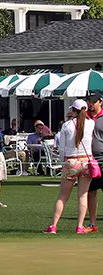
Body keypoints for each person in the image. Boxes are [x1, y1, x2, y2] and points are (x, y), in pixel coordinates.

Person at [43, 99, 95, 234]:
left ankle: (53, 226)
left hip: (71, 161)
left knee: (63, 196)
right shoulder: (91, 124)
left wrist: (62, 163)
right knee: (83, 196)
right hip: (86, 161)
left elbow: (62, 148)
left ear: (74, 111)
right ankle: (80, 226)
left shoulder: (67, 125)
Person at [86, 94, 103, 232]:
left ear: (100, 102)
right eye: (88, 102)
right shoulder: (83, 117)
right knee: (90, 192)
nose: (90, 104)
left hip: (102, 159)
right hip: (89, 161)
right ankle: (92, 223)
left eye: (93, 102)